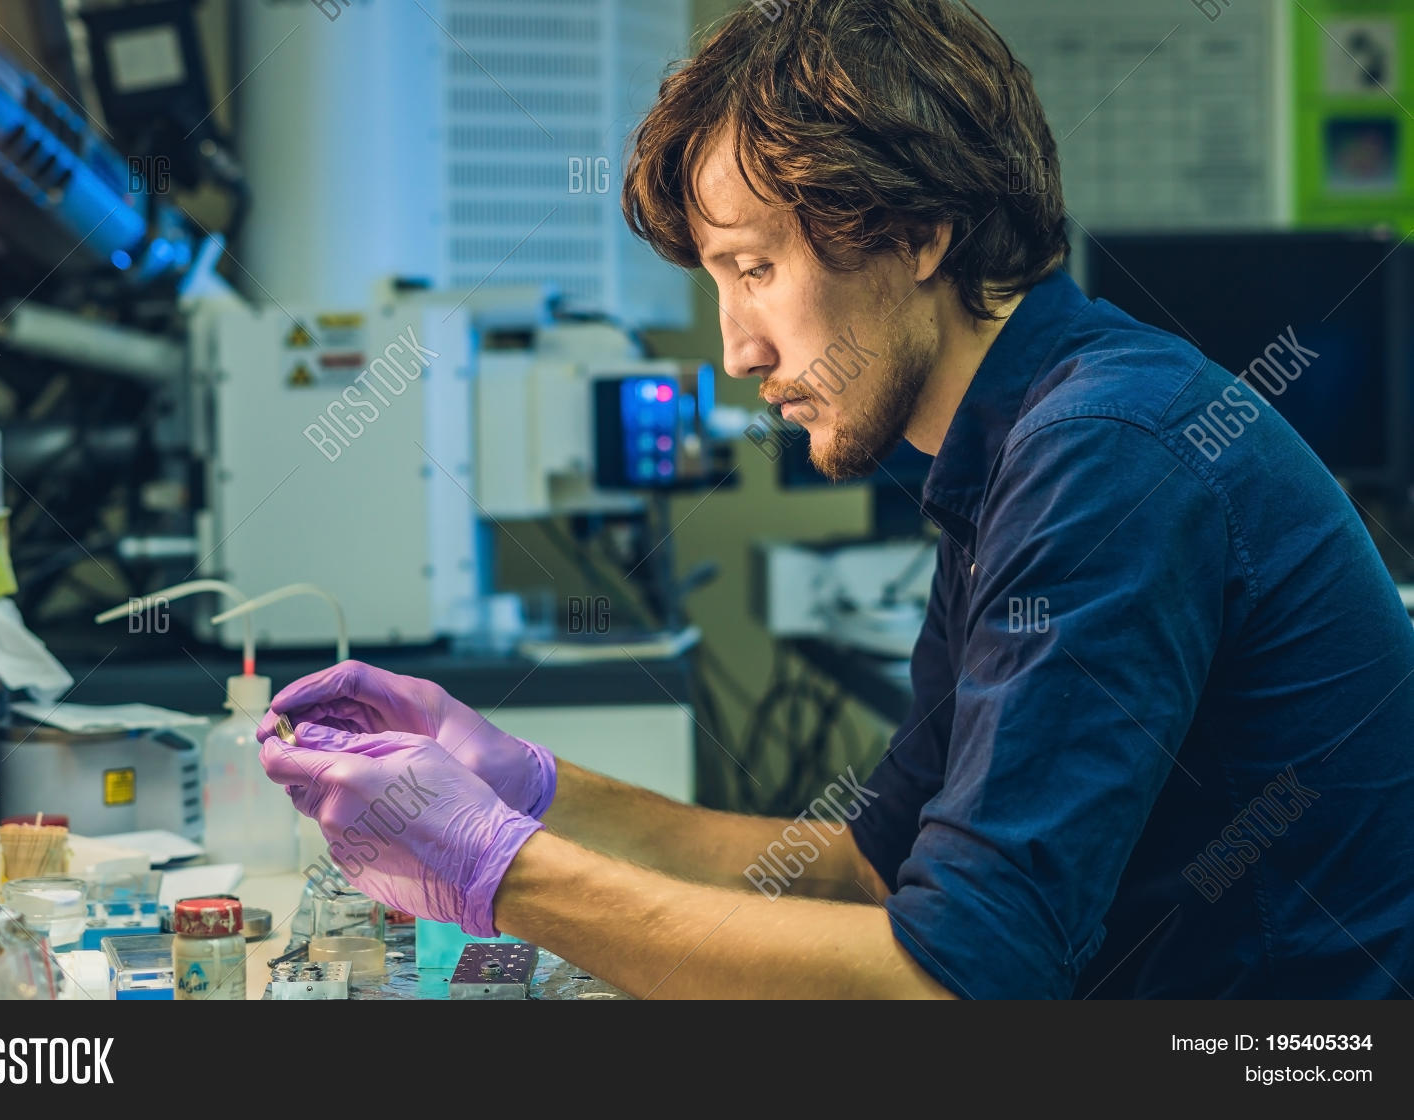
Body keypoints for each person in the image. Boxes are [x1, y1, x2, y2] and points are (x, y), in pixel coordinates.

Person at [257, 0, 1414, 998]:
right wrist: (530, 788)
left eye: (756, 269)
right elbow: (869, 867)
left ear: (914, 232)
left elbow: (955, 981)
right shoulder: (1010, 452)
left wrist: (499, 869)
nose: (737, 351)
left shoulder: (1104, 455)